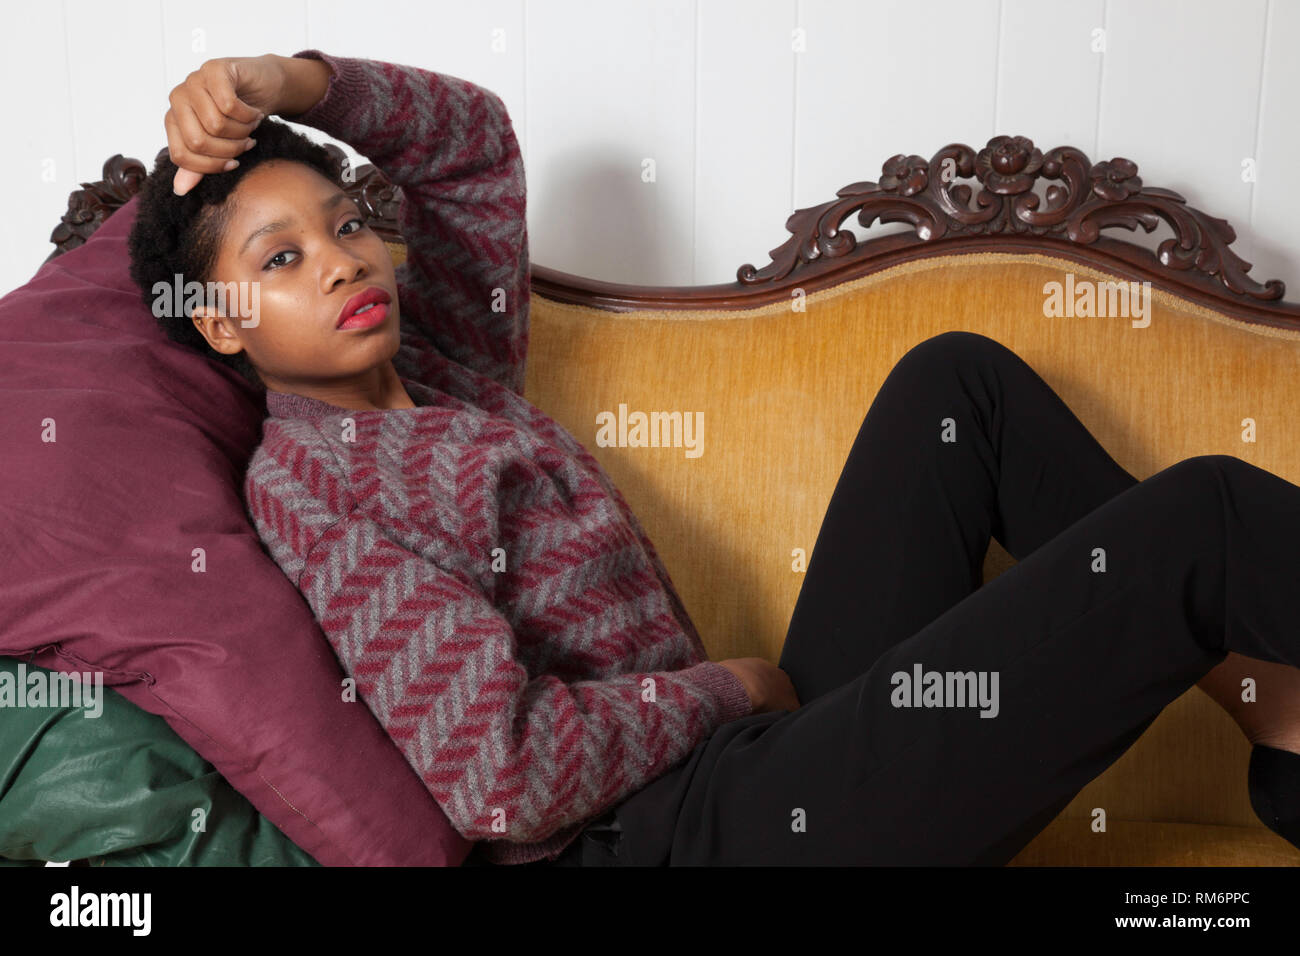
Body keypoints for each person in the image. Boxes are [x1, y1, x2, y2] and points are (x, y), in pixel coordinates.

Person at [127, 49, 1300, 867]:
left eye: (343, 224)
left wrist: (288, 82)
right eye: (279, 261)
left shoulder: (445, 364)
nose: (338, 261)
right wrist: (725, 688)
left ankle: (1280, 717)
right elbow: (501, 776)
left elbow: (470, 147)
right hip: (678, 840)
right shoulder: (322, 483)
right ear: (219, 321)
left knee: (960, 389)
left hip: (748, 780)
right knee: (1202, 522)